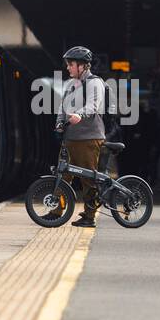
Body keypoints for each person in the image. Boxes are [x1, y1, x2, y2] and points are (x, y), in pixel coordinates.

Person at [57, 46, 107, 228]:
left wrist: (79, 114)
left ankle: (89, 215)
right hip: (70, 138)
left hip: (89, 138)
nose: (68, 68)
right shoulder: (71, 85)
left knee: (88, 179)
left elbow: (93, 105)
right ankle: (56, 211)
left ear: (83, 66)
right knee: (63, 175)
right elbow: (63, 107)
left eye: (71, 64)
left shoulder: (95, 83)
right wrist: (59, 122)